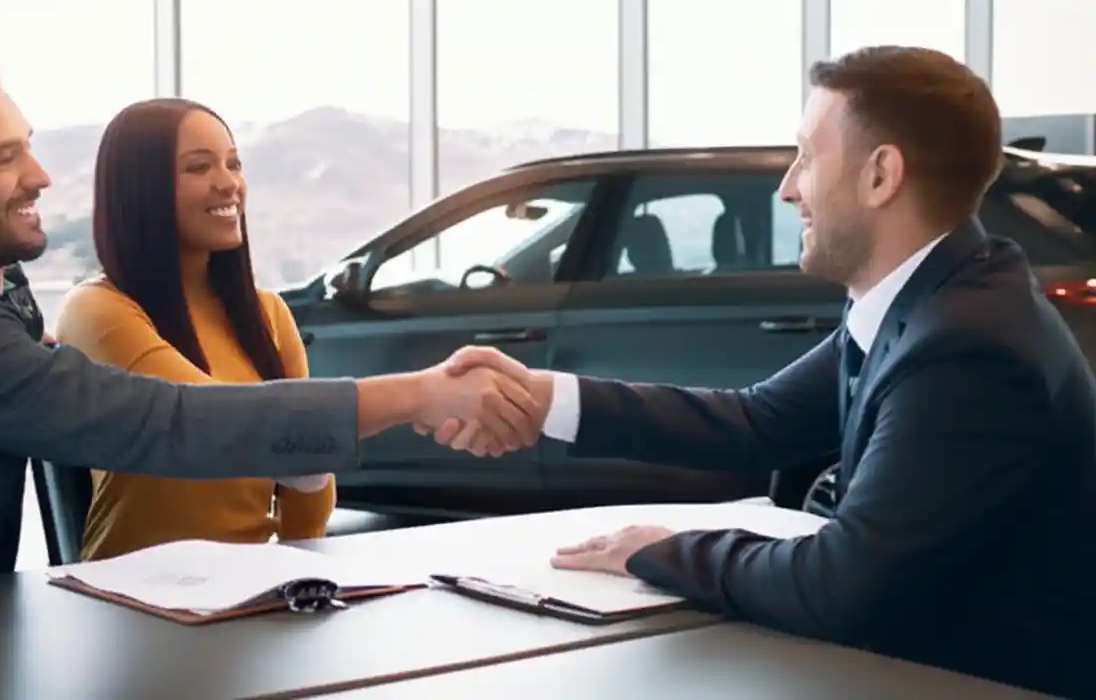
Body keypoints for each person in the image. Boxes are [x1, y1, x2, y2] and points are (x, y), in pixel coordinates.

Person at [438, 46, 1095, 697]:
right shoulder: (933, 298)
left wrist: (660, 550)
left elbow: (840, 586)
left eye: (807, 156)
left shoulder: (965, 347)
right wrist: (540, 397)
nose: (787, 187)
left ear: (880, 176)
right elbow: (757, 420)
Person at [0, 49, 540, 588]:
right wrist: (419, 394)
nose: (40, 175)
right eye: (4, 157)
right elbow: (175, 422)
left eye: (29, 145)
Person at [53, 99, 336, 560]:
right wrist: (397, 402)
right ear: (142, 188)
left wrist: (296, 584)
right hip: (134, 597)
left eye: (233, 163)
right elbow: (208, 423)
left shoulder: (269, 312)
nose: (229, 183)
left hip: (251, 589)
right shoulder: (97, 310)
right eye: (199, 167)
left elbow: (308, 499)